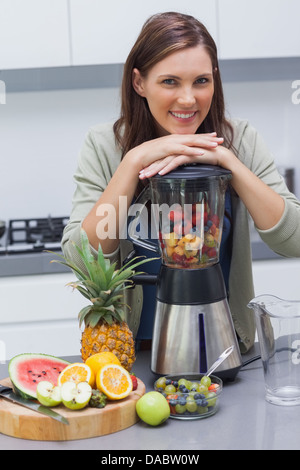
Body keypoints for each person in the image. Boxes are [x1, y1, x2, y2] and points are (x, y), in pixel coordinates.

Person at [62, 11, 300, 354]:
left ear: (215, 79)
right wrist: (133, 162)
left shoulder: (241, 141)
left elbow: (293, 241)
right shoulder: (104, 146)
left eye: (201, 81)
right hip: (135, 356)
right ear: (139, 82)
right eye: (170, 82)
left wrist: (228, 161)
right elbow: (82, 261)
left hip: (226, 349)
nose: (188, 99)